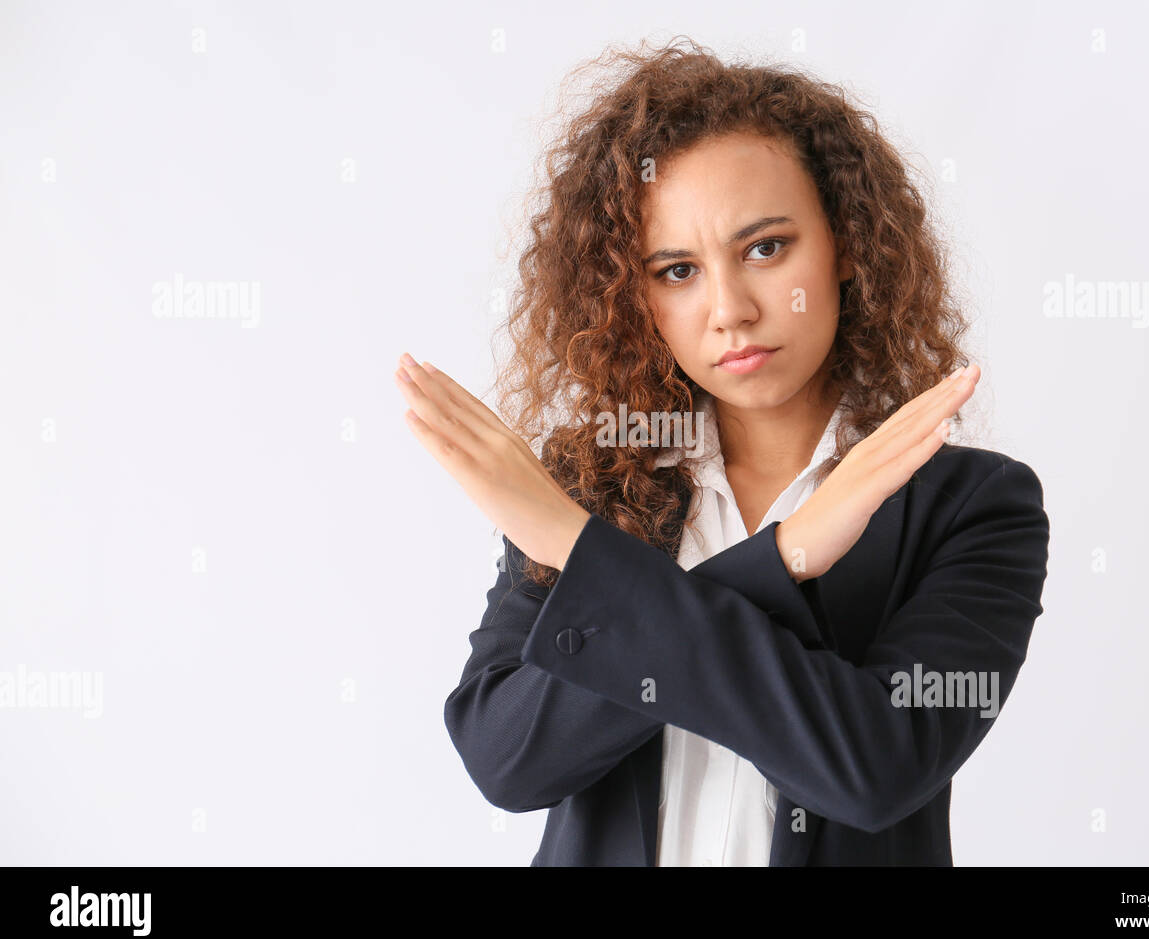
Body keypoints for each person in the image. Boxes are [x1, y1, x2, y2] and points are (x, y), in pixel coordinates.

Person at [393, 37, 1049, 866]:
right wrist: (786, 559)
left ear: (844, 244)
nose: (729, 309)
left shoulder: (972, 505)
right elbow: (508, 757)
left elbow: (874, 767)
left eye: (766, 249)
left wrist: (580, 554)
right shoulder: (594, 486)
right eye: (676, 270)